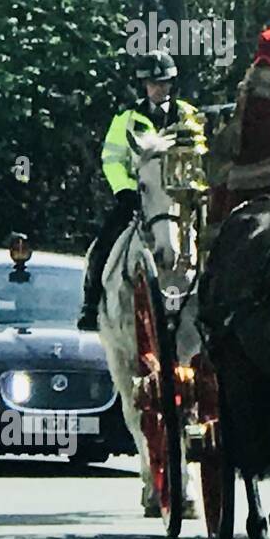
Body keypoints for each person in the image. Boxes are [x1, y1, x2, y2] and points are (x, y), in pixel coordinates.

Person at [77, 50, 199, 330]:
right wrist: (125, 190)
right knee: (106, 240)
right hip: (140, 193)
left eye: (164, 83)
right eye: (153, 83)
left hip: (180, 196)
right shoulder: (126, 119)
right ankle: (91, 302)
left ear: (171, 84)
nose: (159, 88)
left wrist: (188, 189)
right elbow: (111, 159)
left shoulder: (188, 117)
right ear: (144, 85)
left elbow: (198, 155)